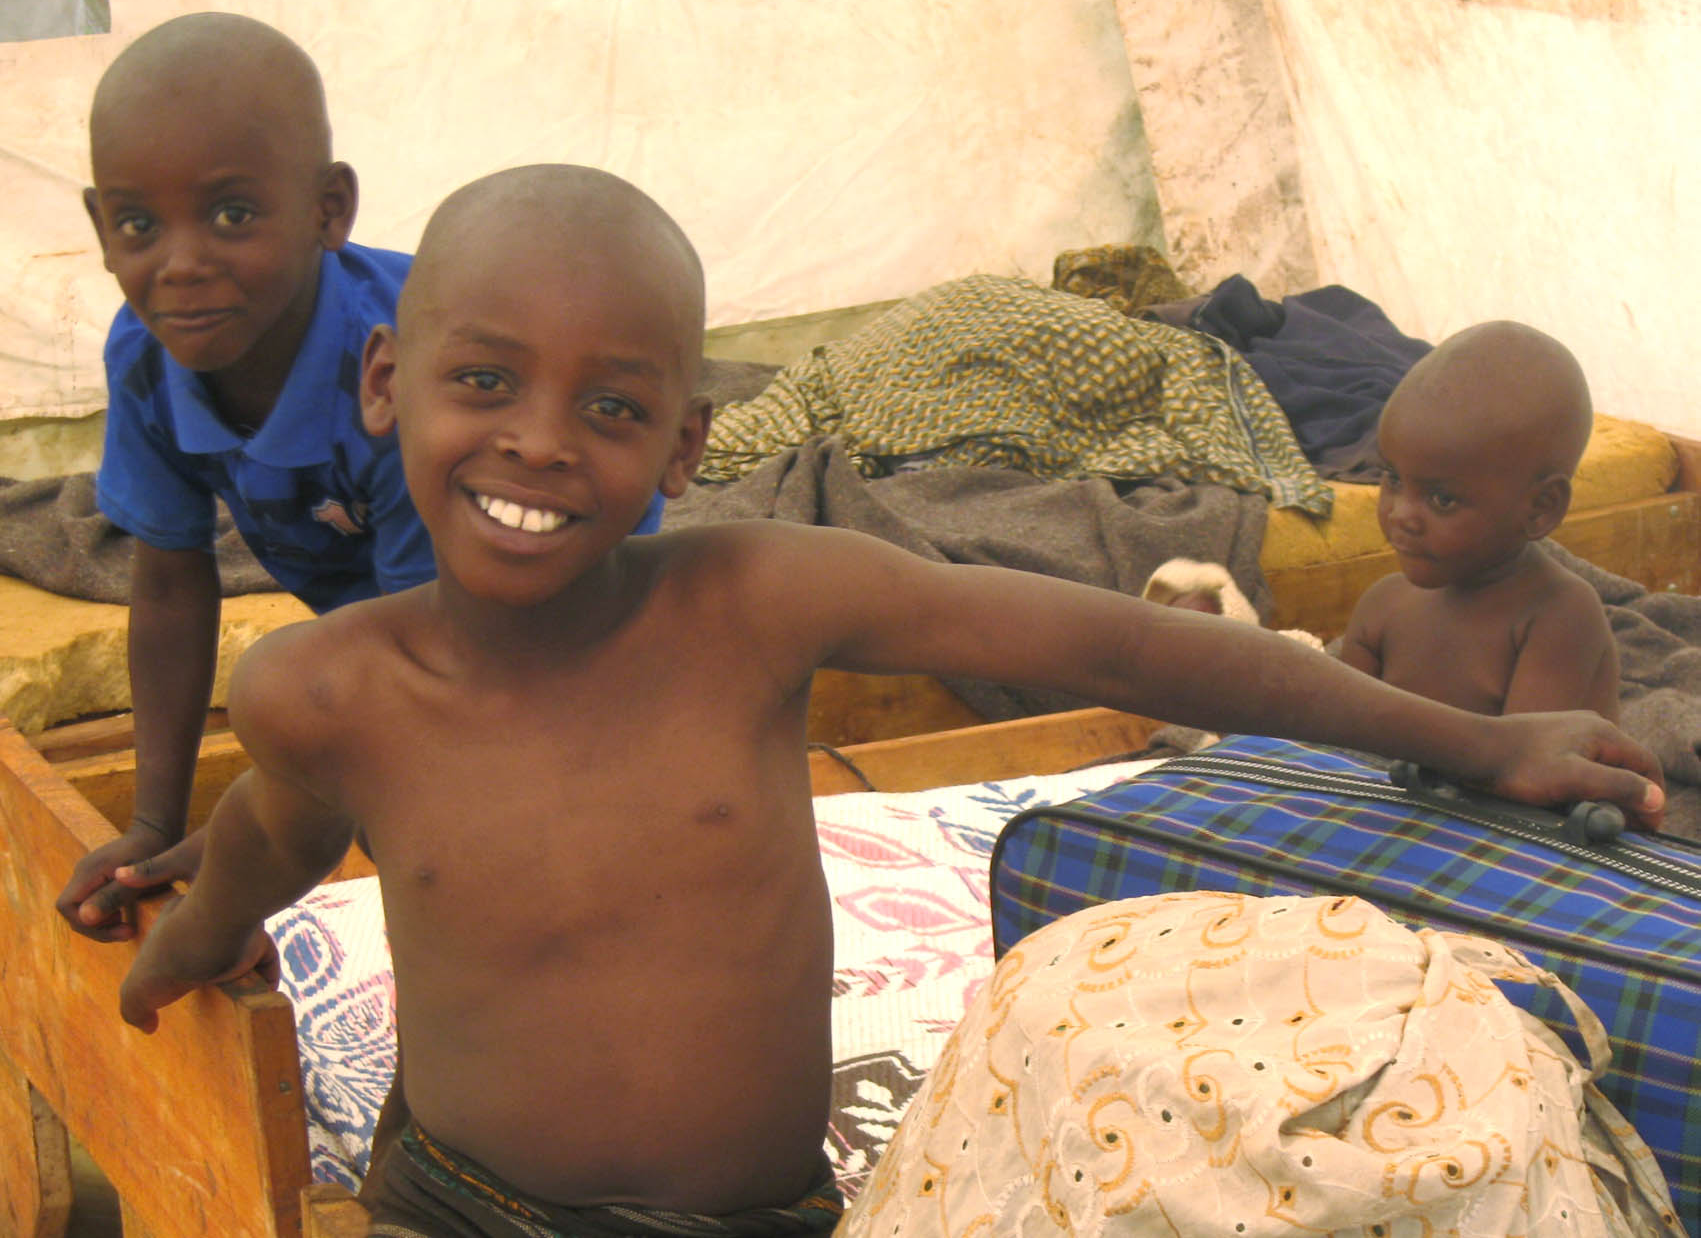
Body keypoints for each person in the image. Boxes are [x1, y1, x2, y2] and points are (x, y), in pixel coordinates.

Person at [118, 166, 1663, 1236]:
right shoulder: (327, 687)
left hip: (756, 1216)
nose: (536, 443)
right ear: (388, 385)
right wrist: (169, 940)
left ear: (681, 445)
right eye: (485, 382)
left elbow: (1124, 654)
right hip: (459, 1207)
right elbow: (271, 838)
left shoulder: (752, 601)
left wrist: (1474, 740)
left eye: (608, 407)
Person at [53, 12, 661, 943]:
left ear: (328, 209)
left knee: (504, 827)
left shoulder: (399, 383)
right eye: (139, 222)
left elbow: (436, 653)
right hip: (415, 616)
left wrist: (250, 846)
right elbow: (171, 582)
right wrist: (152, 825)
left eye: (231, 214)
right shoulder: (145, 356)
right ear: (101, 228)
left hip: (560, 584)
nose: (180, 264)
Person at [1339, 321, 1619, 721]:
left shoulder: (1559, 616)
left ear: (1540, 508)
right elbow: (1335, 739)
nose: (1401, 514)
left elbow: (1529, 767)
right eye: (1393, 479)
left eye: (1442, 499)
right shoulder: (1383, 606)